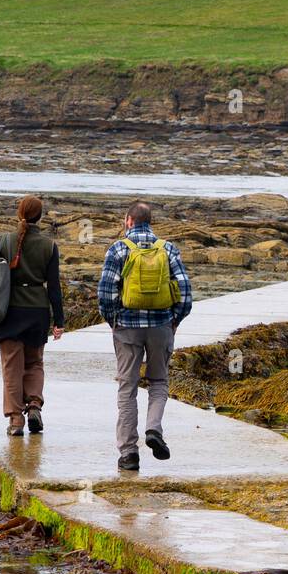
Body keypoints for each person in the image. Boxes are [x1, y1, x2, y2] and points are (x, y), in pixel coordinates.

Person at [97, 201, 193, 472]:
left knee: (127, 387)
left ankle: (128, 454)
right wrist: (175, 321)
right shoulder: (168, 249)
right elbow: (185, 292)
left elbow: (105, 293)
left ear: (128, 221)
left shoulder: (118, 249)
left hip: (127, 327)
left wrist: (113, 321)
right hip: (161, 325)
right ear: (150, 222)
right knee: (159, 381)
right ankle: (153, 429)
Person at [0, 195, 64, 436]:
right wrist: (59, 320)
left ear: (18, 213)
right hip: (38, 311)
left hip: (9, 311)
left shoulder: (4, 241)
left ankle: (16, 420)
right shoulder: (49, 246)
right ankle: (34, 406)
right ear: (40, 217)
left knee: (12, 367)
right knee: (35, 363)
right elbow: (54, 287)